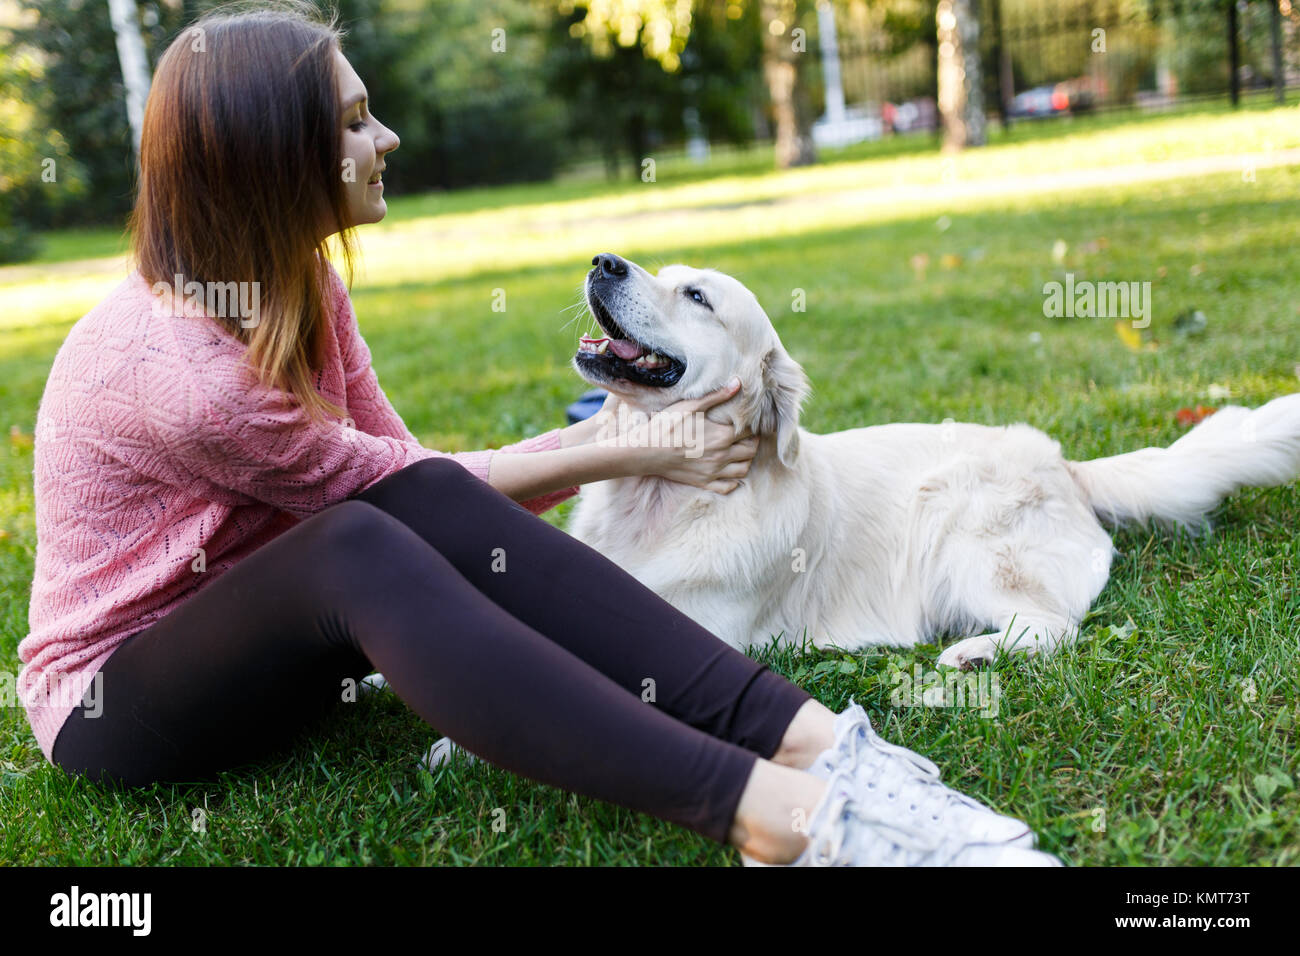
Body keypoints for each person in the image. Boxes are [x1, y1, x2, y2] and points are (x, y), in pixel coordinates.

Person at [17, 0, 1059, 866]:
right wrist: (633, 447)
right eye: (353, 123)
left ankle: (824, 742)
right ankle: (771, 812)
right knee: (360, 539)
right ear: (270, 159)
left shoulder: (306, 286)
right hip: (122, 705)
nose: (385, 141)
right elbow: (384, 504)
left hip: (279, 652)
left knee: (396, 515)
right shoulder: (189, 377)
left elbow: (422, 486)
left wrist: (602, 455)